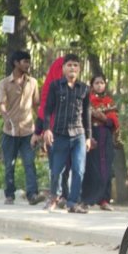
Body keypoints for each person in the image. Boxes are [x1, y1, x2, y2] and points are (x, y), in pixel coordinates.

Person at [42, 54, 93, 214]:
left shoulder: (84, 88)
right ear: (63, 68)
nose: (72, 68)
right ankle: (54, 197)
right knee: (57, 170)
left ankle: (72, 202)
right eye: (69, 65)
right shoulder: (55, 86)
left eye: (75, 65)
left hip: (79, 134)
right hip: (60, 133)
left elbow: (87, 114)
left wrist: (89, 137)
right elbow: (48, 110)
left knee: (79, 169)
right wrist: (47, 130)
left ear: (79, 69)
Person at [0, 50, 45, 205]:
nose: (28, 64)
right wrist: (7, 120)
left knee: (29, 163)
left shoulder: (33, 82)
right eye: (25, 61)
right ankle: (9, 194)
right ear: (16, 63)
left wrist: (42, 126)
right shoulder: (4, 83)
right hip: (9, 131)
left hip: (28, 131)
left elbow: (37, 105)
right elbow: (1, 105)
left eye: (29, 61)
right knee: (9, 164)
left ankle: (32, 195)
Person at [35, 56, 70, 208]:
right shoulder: (51, 87)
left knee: (70, 166)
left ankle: (65, 196)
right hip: (53, 131)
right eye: (65, 66)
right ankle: (56, 195)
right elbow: (43, 110)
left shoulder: (76, 87)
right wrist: (39, 131)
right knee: (55, 166)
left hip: (71, 132)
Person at [81, 75, 120, 210]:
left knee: (105, 169)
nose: (99, 85)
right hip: (91, 136)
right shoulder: (87, 100)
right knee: (90, 168)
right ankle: (87, 199)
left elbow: (113, 121)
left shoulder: (109, 102)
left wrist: (103, 117)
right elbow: (82, 117)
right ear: (92, 85)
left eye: (102, 83)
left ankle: (104, 200)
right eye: (96, 83)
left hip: (105, 137)